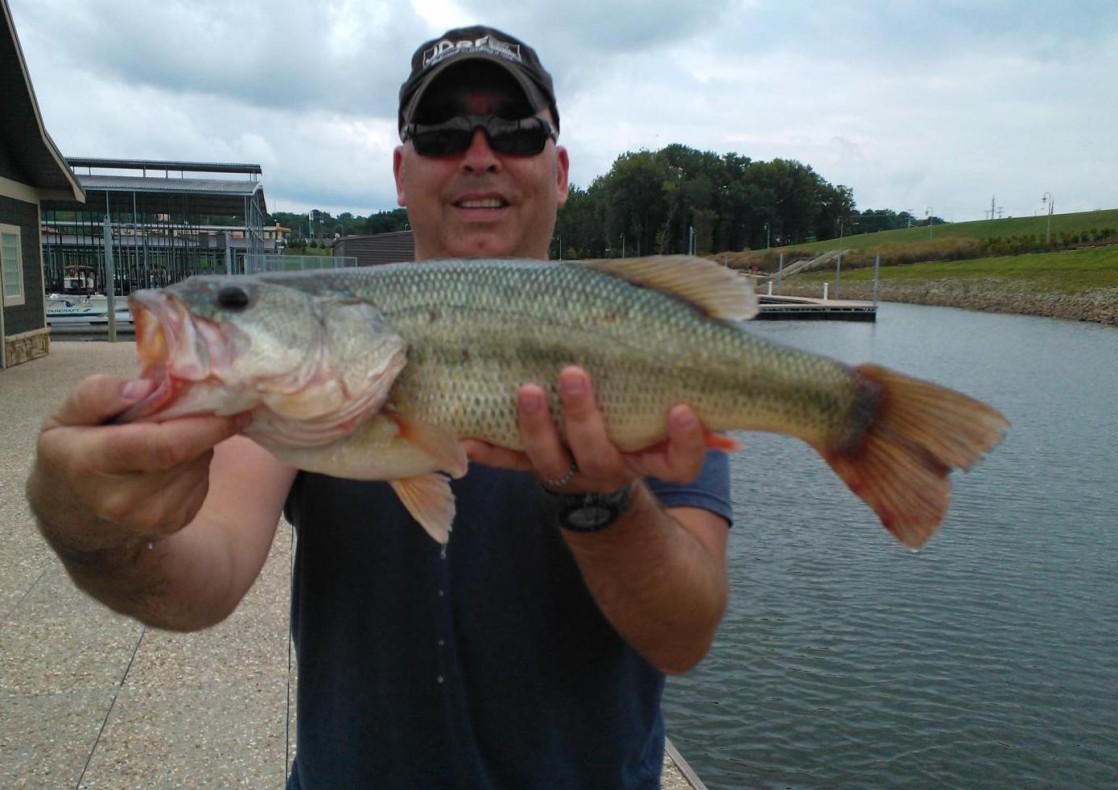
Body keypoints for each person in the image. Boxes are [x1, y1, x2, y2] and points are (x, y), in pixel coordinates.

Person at [27, 25, 733, 788]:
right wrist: (91, 532)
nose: (479, 151)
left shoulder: (647, 343)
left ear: (559, 171)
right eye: (441, 131)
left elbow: (684, 637)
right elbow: (203, 575)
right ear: (401, 174)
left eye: (516, 127)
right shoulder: (274, 403)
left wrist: (603, 506)